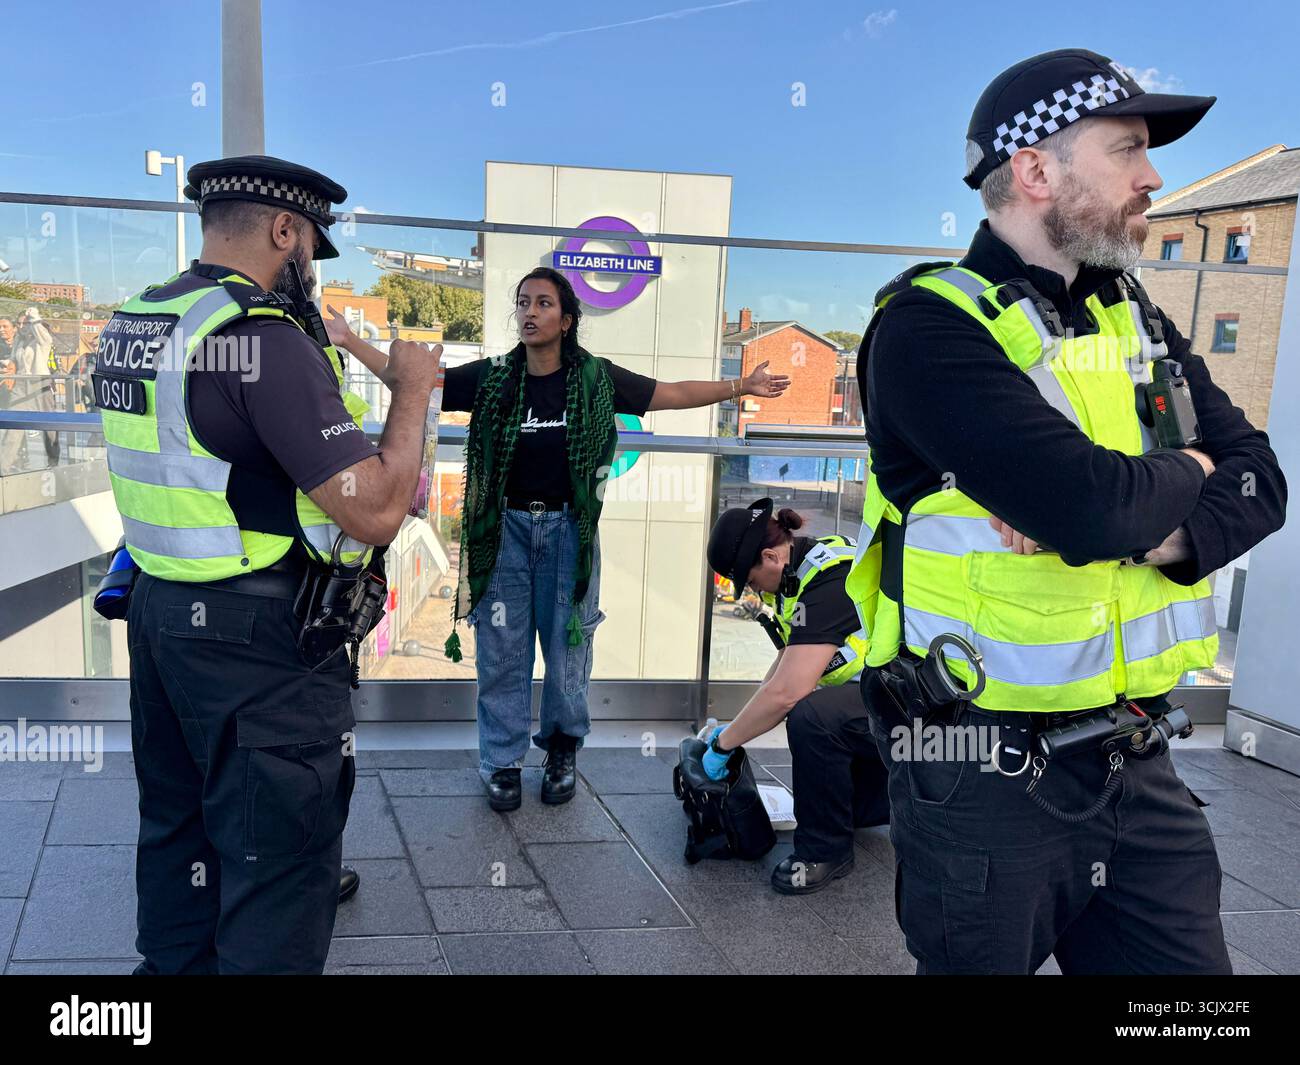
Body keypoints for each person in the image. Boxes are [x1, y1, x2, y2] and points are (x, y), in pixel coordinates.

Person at [844, 48, 1287, 974]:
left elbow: (1261, 480)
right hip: (978, 765)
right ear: (1037, 171)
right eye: (1127, 148)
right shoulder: (929, 329)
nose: (1154, 175)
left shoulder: (1136, 317)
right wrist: (1182, 467)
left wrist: (1152, 515)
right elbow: (1090, 507)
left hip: (1137, 753)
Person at [96, 155, 440, 973]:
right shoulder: (259, 340)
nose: (309, 273)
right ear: (284, 230)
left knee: (181, 831)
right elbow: (376, 509)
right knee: (279, 867)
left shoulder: (141, 318)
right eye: (310, 251)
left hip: (160, 616)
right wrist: (413, 390)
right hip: (257, 646)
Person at [327, 266, 790, 811]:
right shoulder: (496, 376)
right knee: (503, 654)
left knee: (569, 655)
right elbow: (412, 381)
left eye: (544, 303)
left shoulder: (597, 379)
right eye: (523, 302)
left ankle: (562, 751)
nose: (530, 311)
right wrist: (350, 339)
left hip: (571, 533)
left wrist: (743, 386)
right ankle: (501, 762)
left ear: (567, 319)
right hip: (505, 533)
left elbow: (672, 393)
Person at [701, 499, 889, 894]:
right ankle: (877, 803)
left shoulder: (830, 581)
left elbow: (789, 692)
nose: (751, 590)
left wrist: (724, 745)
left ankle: (824, 851)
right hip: (882, 698)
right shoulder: (800, 572)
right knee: (816, 715)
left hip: (914, 710)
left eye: (749, 581)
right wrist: (735, 730)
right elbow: (784, 669)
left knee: (812, 716)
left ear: (770, 557)